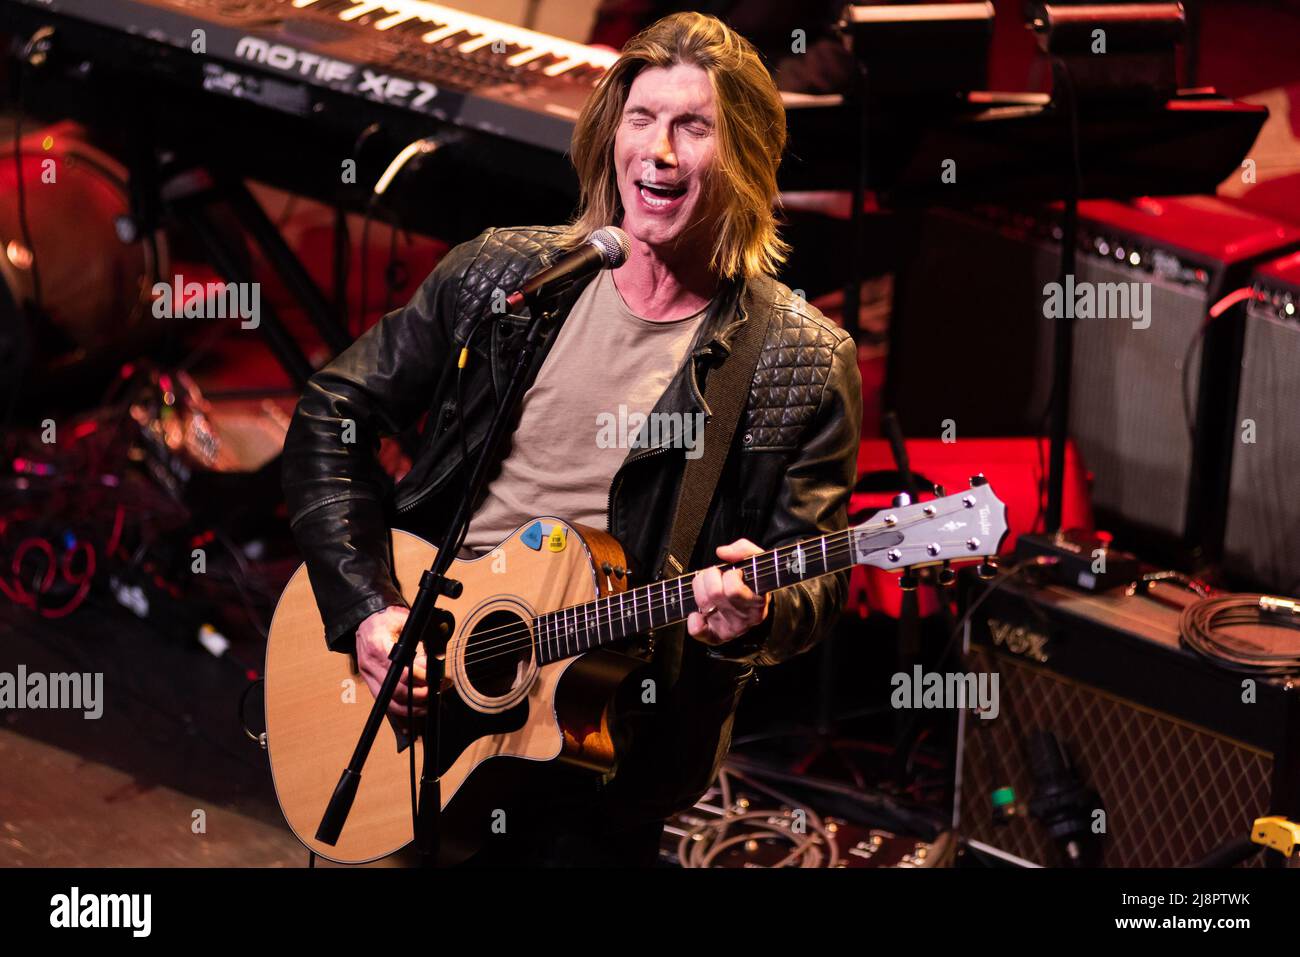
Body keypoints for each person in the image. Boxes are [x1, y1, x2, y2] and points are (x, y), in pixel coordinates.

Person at [281, 11, 861, 866]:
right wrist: (367, 607)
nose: (658, 152)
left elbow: (813, 579)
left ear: (744, 156)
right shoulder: (504, 276)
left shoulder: (799, 359)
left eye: (692, 127)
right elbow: (332, 408)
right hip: (419, 696)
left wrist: (756, 610)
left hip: (603, 752)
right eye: (641, 119)